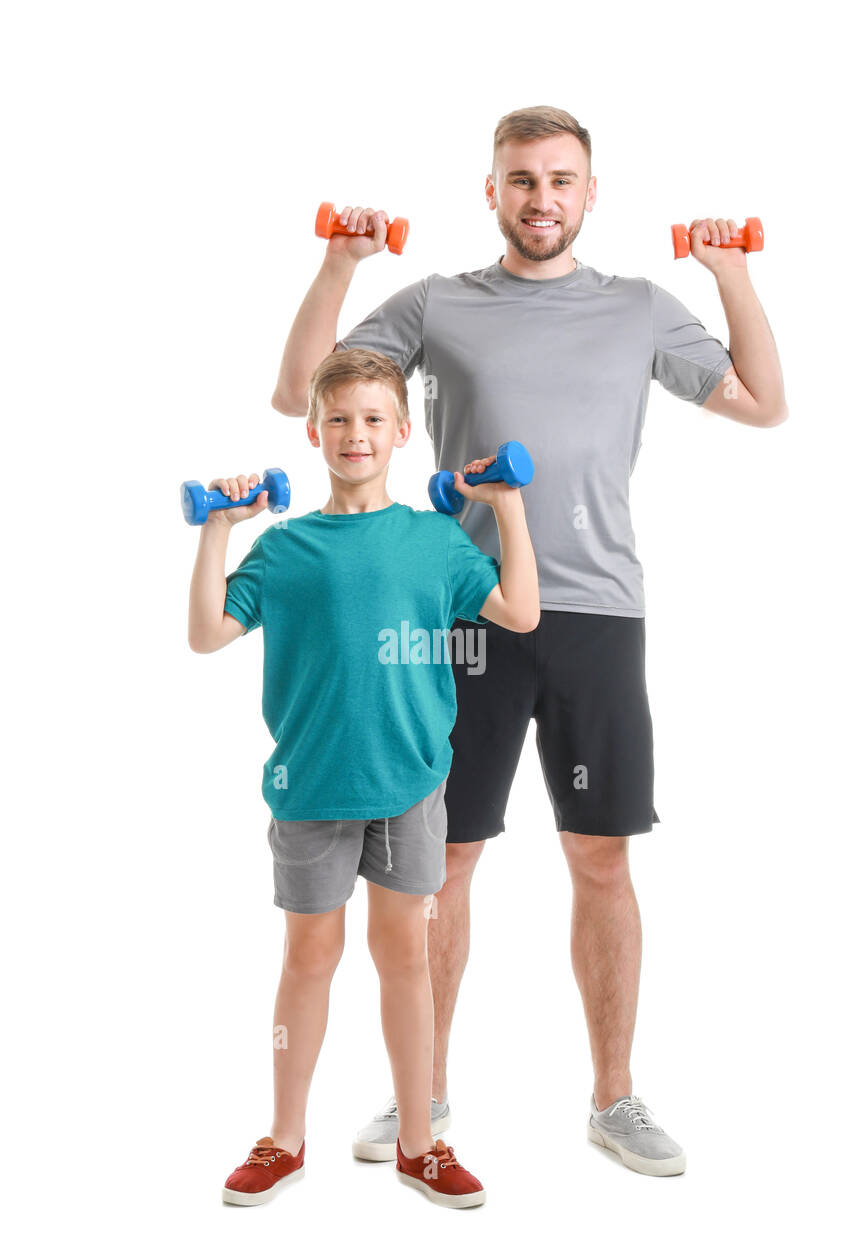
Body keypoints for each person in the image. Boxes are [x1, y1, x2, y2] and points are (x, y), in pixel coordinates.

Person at [271, 106, 788, 1178]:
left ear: (590, 195)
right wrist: (338, 264)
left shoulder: (642, 308)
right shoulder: (438, 304)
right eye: (520, 180)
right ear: (491, 192)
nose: (540, 198)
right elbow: (299, 395)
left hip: (598, 612)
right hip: (463, 614)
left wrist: (728, 270)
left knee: (602, 856)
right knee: (442, 862)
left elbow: (763, 403)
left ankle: (615, 1098)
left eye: (560, 180)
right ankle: (428, 1095)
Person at [187, 347, 539, 1206]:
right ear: (313, 432)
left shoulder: (433, 540)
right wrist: (218, 530)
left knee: (405, 959)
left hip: (411, 785)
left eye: (375, 419)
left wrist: (510, 506)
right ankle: (283, 1139)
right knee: (309, 957)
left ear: (403, 433)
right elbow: (205, 634)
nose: (357, 435)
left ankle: (421, 1143)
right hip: (311, 788)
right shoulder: (284, 547)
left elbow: (521, 612)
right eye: (339, 419)